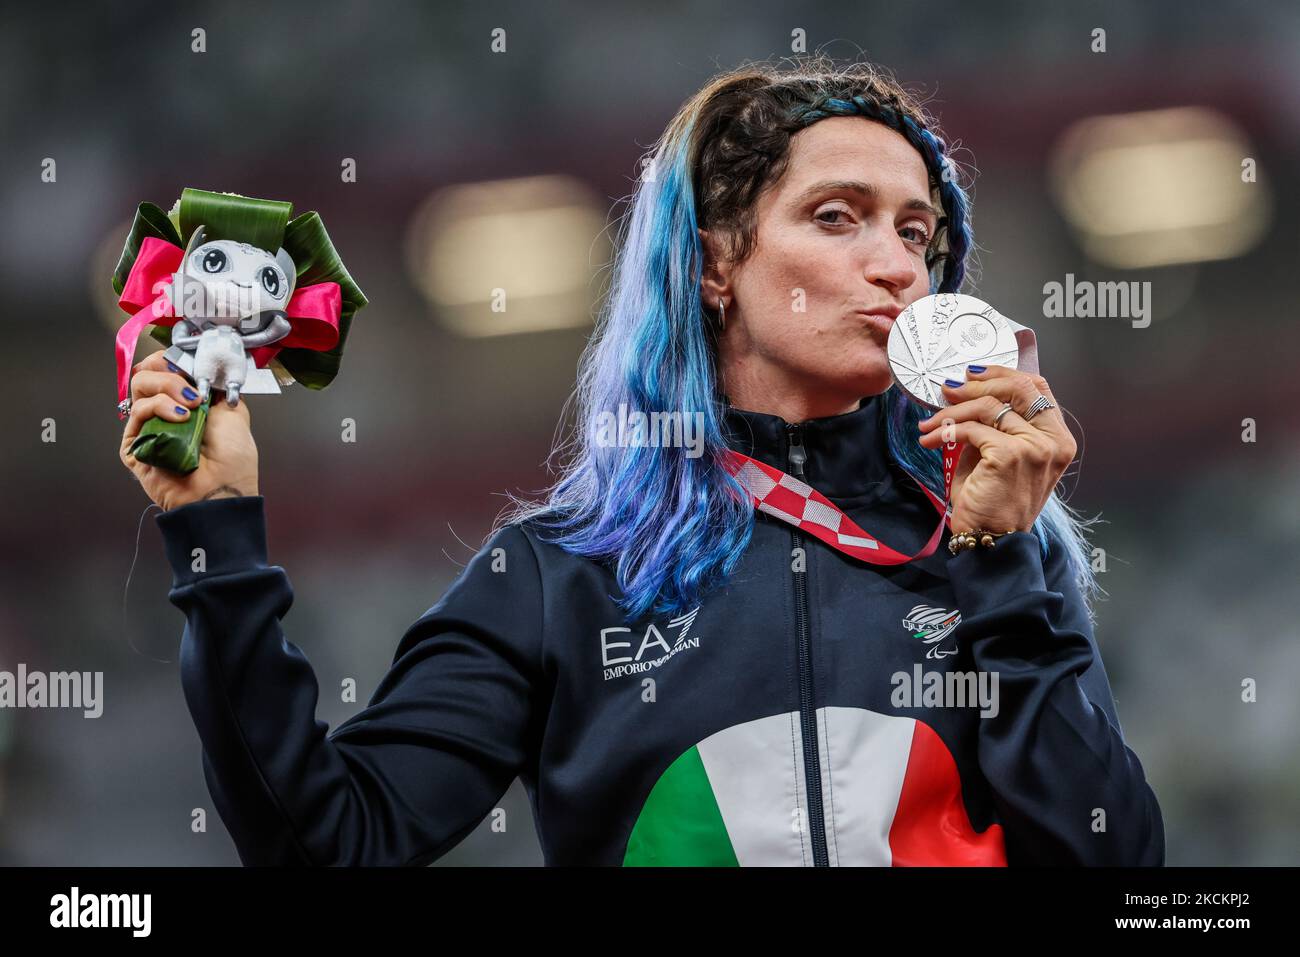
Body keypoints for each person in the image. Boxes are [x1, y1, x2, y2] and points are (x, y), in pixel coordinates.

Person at [119, 56, 1165, 866]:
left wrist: (997, 559)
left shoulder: (983, 547)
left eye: (915, 231)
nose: (894, 265)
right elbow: (327, 845)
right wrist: (218, 543)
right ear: (714, 264)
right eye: (835, 217)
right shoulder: (559, 576)